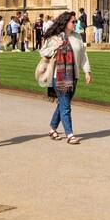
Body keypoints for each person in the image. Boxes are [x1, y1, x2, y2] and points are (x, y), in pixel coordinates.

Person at [38, 11, 91, 144]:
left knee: (63, 103)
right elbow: (43, 52)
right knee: (66, 105)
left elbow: (83, 55)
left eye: (76, 22)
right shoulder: (55, 38)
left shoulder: (77, 37)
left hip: (74, 75)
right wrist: (56, 47)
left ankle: (52, 128)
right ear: (65, 23)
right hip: (59, 75)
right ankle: (70, 134)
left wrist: (87, 71)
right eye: (73, 22)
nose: (75, 24)